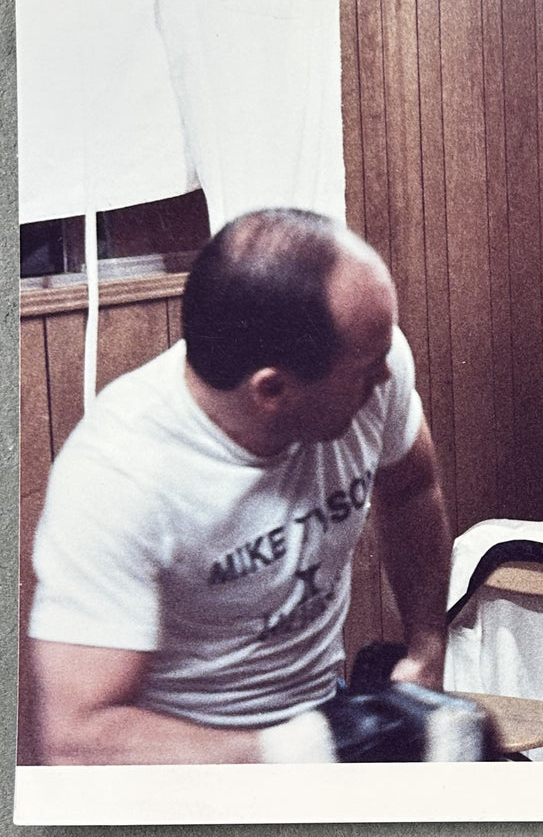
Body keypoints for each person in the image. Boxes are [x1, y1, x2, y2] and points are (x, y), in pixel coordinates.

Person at [28, 207, 458, 764]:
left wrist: (427, 644)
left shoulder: (373, 358)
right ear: (271, 391)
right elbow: (76, 740)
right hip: (180, 768)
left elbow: (412, 490)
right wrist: (290, 756)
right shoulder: (118, 476)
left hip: (317, 721)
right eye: (366, 370)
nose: (385, 377)